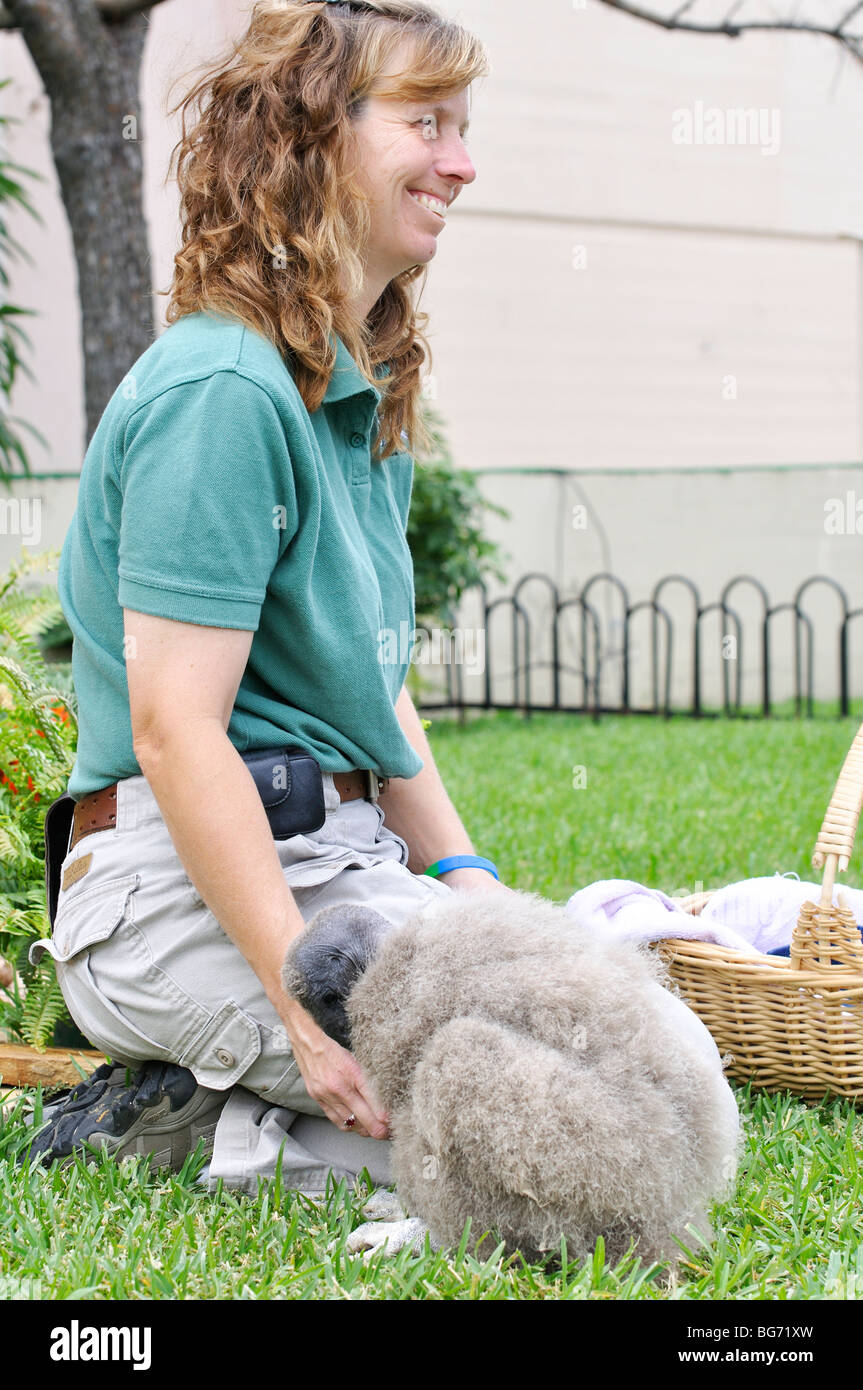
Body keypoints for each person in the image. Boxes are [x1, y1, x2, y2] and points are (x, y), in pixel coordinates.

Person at [26, 0, 508, 1189]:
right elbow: (174, 726)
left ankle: (216, 1116)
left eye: (463, 126)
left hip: (342, 859)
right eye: (424, 122)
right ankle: (197, 1113)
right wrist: (302, 998)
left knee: (580, 1028)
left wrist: (476, 888)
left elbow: (374, 692)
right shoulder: (221, 392)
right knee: (503, 1124)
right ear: (311, 138)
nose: (461, 160)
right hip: (165, 894)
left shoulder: (359, 387)